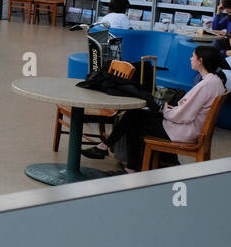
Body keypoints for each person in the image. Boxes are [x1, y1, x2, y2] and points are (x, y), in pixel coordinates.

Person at [82, 45, 228, 171]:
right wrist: (169, 110)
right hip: (189, 128)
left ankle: (116, 154)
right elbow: (187, 110)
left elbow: (183, 115)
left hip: (182, 131)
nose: (191, 58)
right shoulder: (215, 82)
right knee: (136, 115)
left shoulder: (205, 85)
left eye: (193, 56)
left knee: (134, 118)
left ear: (200, 61)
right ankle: (116, 155)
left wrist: (165, 110)